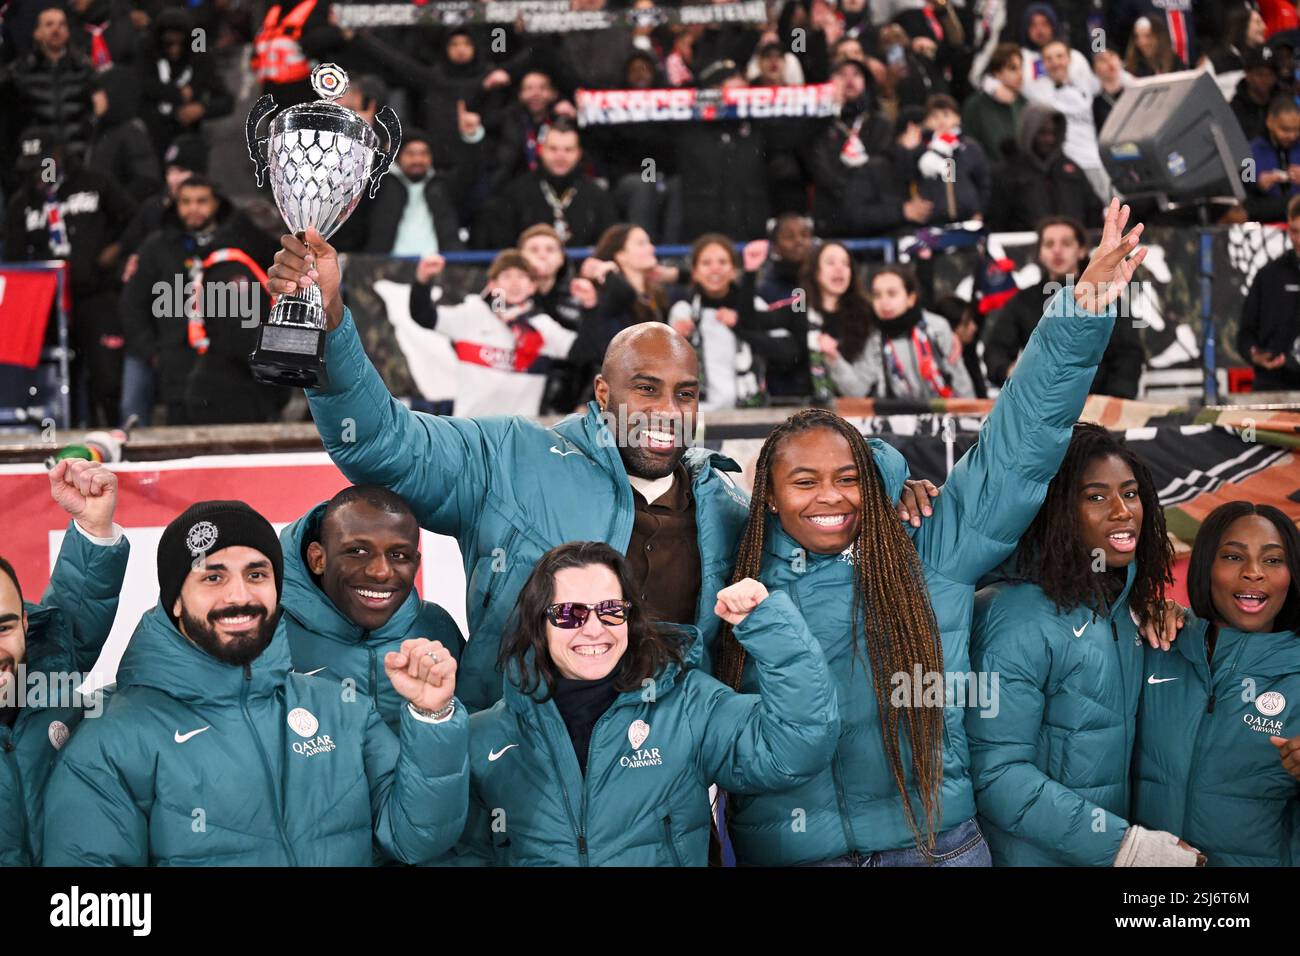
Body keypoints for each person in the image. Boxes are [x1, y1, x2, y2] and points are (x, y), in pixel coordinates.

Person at [265, 227, 936, 711]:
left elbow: (818, 499)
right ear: (603, 393)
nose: (666, 411)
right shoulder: (508, 457)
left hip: (661, 805)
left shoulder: (725, 507)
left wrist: (885, 477)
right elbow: (380, 444)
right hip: (515, 793)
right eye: (645, 389)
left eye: (684, 394)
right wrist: (329, 321)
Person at [715, 198, 1150, 868]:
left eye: (849, 476)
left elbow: (1019, 443)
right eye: (804, 482)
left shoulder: (931, 548)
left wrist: (1079, 312)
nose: (831, 496)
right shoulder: (735, 577)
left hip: (936, 850)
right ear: (767, 497)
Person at [41, 500, 470, 866]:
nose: (238, 596)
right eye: (213, 577)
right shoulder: (110, 741)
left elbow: (417, 838)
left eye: (257, 574)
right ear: (174, 600)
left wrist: (432, 717)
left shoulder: (341, 709)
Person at [450, 541, 839, 866]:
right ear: (539, 624)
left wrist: (771, 628)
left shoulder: (687, 705)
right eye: (570, 614)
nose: (594, 628)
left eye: (610, 610)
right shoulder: (484, 736)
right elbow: (461, 854)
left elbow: (796, 750)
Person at [967, 424, 1201, 866]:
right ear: (1056, 510)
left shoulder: (1133, 611)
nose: (1122, 511)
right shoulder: (1014, 617)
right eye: (1096, 497)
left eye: (1130, 494)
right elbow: (996, 775)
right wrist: (1125, 847)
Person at [1131, 501, 1300, 866]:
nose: (1254, 572)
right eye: (1233, 557)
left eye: (1273, 560)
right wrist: (1146, 608)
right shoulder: (1154, 646)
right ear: (1206, 566)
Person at [0, 459, 128, 866]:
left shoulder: (44, 673)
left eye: (3, 627)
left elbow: (68, 626)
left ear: (24, 623)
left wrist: (93, 529)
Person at [281, 485, 464, 733]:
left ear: (416, 563)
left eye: (398, 555)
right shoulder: (269, 634)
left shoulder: (436, 627)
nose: (380, 572)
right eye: (358, 551)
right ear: (318, 559)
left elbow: (465, 741)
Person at [4, 126, 135, 427]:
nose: (37, 173)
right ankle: (68, 442)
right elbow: (13, 261)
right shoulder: (20, 204)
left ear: (59, 155)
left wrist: (114, 252)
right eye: (31, 168)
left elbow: (133, 221)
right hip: (47, 307)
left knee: (107, 376)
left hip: (96, 295)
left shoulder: (96, 183)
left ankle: (118, 434)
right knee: (59, 378)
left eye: (43, 164)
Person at [983, 216, 1144, 398]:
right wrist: (1009, 372)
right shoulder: (1023, 301)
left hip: (1097, 408)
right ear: (1040, 253)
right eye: (1049, 244)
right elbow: (996, 350)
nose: (1057, 251)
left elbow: (1128, 354)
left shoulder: (1106, 296)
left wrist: (1113, 402)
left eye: (1066, 243)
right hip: (1039, 407)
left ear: (1081, 250)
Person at [404, 249, 575, 417]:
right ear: (492, 285)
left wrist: (593, 308)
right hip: (470, 431)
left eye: (522, 276)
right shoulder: (472, 312)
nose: (514, 283)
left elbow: (583, 350)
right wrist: (423, 280)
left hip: (518, 436)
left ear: (532, 286)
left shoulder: (544, 325)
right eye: (507, 276)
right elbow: (424, 316)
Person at [666, 235, 796, 411]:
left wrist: (741, 327)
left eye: (722, 262)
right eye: (706, 263)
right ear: (695, 272)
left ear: (734, 270)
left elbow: (787, 352)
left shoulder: (755, 306)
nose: (715, 269)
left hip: (751, 412)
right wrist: (676, 342)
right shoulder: (683, 310)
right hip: (701, 415)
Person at [825, 264, 975, 400]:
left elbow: (961, 382)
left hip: (946, 420)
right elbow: (857, 390)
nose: (884, 302)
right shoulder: (873, 337)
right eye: (877, 295)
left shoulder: (936, 327)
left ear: (911, 298)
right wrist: (834, 359)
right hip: (897, 425)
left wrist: (972, 419)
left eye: (892, 294)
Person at [475, 118, 617, 249]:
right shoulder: (516, 192)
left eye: (568, 150)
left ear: (578, 154)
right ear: (541, 150)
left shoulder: (597, 195)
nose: (560, 156)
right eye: (553, 149)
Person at [986, 102, 1103, 231]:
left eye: (1053, 133)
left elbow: (1094, 211)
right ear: (1029, 132)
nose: (1049, 139)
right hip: (1024, 246)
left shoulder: (1071, 170)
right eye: (1042, 133)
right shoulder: (1007, 172)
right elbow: (997, 220)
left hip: (1072, 246)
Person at [1024, 39, 1110, 203]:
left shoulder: (1086, 83)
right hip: (1065, 167)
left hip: (1095, 162)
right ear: (1043, 64)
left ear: (1069, 59)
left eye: (1060, 56)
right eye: (1049, 59)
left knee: (1109, 213)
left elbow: (1113, 81)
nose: (1055, 62)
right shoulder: (1036, 95)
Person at [364, 129, 463, 257]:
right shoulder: (380, 185)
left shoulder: (443, 185)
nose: (417, 160)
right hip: (389, 266)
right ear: (398, 157)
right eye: (410, 154)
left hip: (438, 264)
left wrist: (472, 138)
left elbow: (469, 172)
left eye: (424, 154)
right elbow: (366, 170)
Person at [1237, 193, 1300, 392]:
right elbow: (1245, 334)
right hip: (1273, 387)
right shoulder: (1268, 274)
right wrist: (1255, 355)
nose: (1298, 239)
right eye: (1295, 231)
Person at [961, 43, 1028, 160]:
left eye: (1021, 67)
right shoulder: (975, 105)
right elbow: (967, 145)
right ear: (997, 73)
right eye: (1012, 68)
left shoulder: (1024, 103)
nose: (1020, 74)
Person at [1245, 96, 1300, 224]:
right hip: (1265, 222)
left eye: (1297, 130)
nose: (1292, 136)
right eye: (1285, 129)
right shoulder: (1248, 153)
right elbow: (1242, 196)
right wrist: (1257, 185)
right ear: (1270, 122)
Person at [1231, 46, 1284, 144]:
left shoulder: (1283, 104)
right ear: (1248, 74)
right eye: (1260, 74)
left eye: (1270, 74)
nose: (1265, 79)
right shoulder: (1234, 109)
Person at [1123, 16, 1187, 77]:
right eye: (1137, 37)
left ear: (1160, 38)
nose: (1141, 42)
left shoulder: (1174, 61)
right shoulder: (1131, 69)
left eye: (1148, 36)